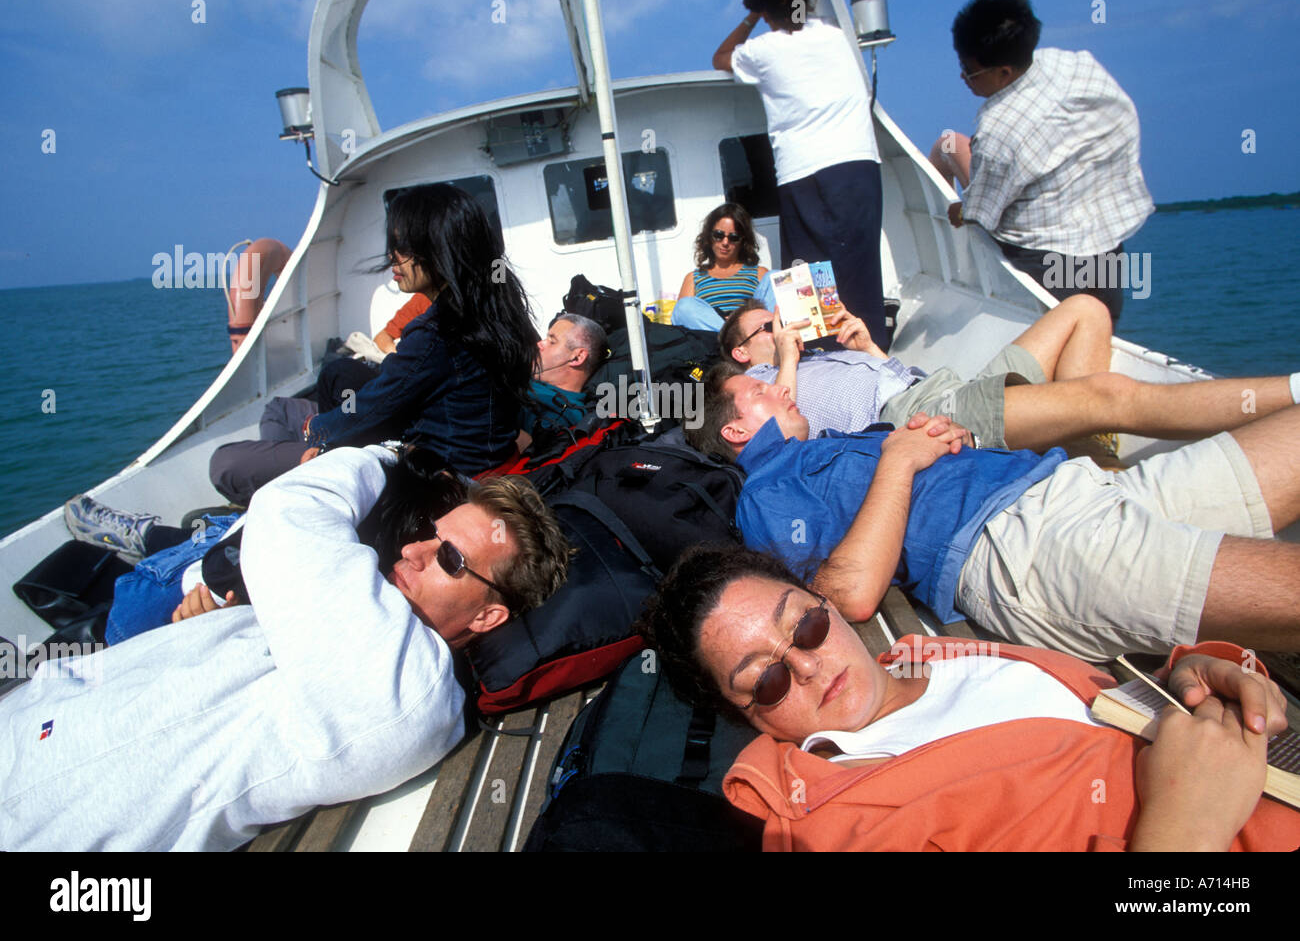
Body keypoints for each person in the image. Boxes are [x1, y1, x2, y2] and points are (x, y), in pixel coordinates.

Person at [1, 446, 570, 850]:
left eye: (450, 559)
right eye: (430, 532)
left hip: (37, 809)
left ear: (489, 614)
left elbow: (287, 511)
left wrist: (386, 455)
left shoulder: (407, 688)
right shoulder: (377, 623)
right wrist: (208, 632)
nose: (415, 551)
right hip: (34, 715)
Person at [639, 543, 1299, 851]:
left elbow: (1106, 702)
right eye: (769, 680)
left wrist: (1197, 675)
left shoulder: (933, 652)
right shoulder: (848, 824)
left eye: (805, 625)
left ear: (827, 605)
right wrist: (1187, 829)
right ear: (745, 719)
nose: (808, 665)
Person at [687, 361, 1300, 663]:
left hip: (1069, 487)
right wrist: (900, 460)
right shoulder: (767, 492)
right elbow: (846, 594)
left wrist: (952, 444)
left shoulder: (817, 448)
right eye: (759, 388)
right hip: (1028, 549)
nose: (780, 386)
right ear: (738, 429)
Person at [209, 183, 539, 507]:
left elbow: (375, 406)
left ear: (440, 249)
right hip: (467, 454)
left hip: (430, 474)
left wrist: (318, 433)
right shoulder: (497, 305)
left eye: (404, 246)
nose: (392, 257)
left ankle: (299, 491)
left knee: (227, 461)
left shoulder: (438, 334)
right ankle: (302, 476)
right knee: (337, 373)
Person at [720, 295, 1300, 452]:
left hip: (938, 382)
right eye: (764, 328)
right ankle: (1293, 391)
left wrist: (870, 345)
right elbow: (782, 436)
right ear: (744, 353)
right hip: (918, 416)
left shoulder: (811, 359)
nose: (778, 327)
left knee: (1085, 310)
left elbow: (889, 375)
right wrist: (789, 355)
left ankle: (1080, 446)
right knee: (1108, 393)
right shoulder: (768, 388)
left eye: (777, 321)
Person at [937, 0, 1153, 323]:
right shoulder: (1075, 65)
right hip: (1107, 250)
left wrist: (958, 209)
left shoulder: (999, 130)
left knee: (1048, 350)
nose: (963, 78)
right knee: (1099, 333)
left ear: (1004, 73)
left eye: (969, 70)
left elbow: (981, 212)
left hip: (1048, 267)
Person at [712, 0, 889, 349]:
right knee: (859, 265)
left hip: (806, 173)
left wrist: (751, 18)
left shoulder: (764, 48)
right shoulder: (836, 33)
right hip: (860, 167)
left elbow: (721, 57)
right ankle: (872, 349)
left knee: (808, 276)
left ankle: (822, 354)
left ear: (764, 7)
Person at [671, 204, 771, 332]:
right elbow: (682, 318)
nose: (725, 242)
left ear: (742, 241)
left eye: (733, 237)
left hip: (751, 331)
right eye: (719, 235)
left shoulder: (759, 273)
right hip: (714, 336)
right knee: (683, 306)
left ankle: (737, 337)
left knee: (774, 277)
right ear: (709, 236)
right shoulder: (694, 278)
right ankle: (729, 336)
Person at [521, 313, 607, 445]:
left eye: (552, 341)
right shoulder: (527, 381)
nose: (539, 344)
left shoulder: (560, 416)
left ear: (577, 357)